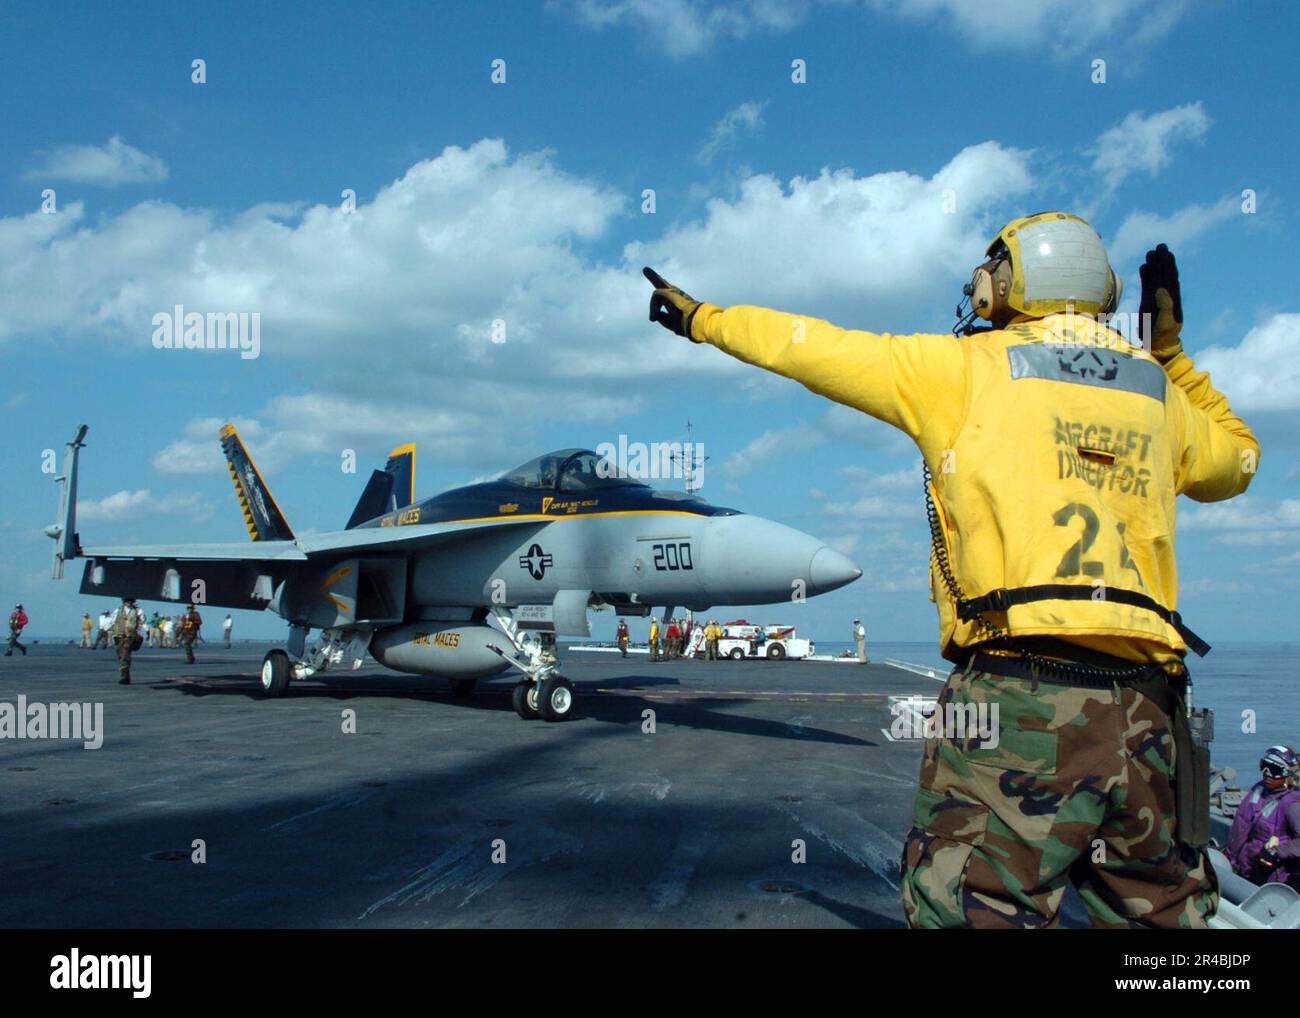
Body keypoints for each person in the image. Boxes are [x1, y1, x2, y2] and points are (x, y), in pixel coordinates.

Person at [645, 216, 1258, 929]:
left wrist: (702, 319)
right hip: (1153, 711)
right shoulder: (1157, 392)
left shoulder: (964, 368)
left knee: (973, 908)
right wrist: (1172, 354)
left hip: (1021, 695)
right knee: (1166, 922)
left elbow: (807, 347)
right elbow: (1239, 460)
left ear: (1005, 280)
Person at [1226, 746, 1300, 889]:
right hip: (1244, 869)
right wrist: (1230, 857)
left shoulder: (1291, 804)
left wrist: (1277, 852)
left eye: (1275, 770)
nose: (1267, 774)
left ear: (1288, 775)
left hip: (1270, 880)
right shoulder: (1259, 790)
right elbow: (1241, 826)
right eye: (1264, 766)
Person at [108, 596, 144, 684]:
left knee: (125, 654)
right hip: (119, 636)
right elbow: (112, 621)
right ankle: (126, 676)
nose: (128, 602)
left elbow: (143, 621)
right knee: (120, 655)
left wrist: (146, 631)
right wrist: (109, 633)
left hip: (130, 636)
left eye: (130, 600)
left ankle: (124, 677)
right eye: (126, 600)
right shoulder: (118, 610)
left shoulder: (138, 611)